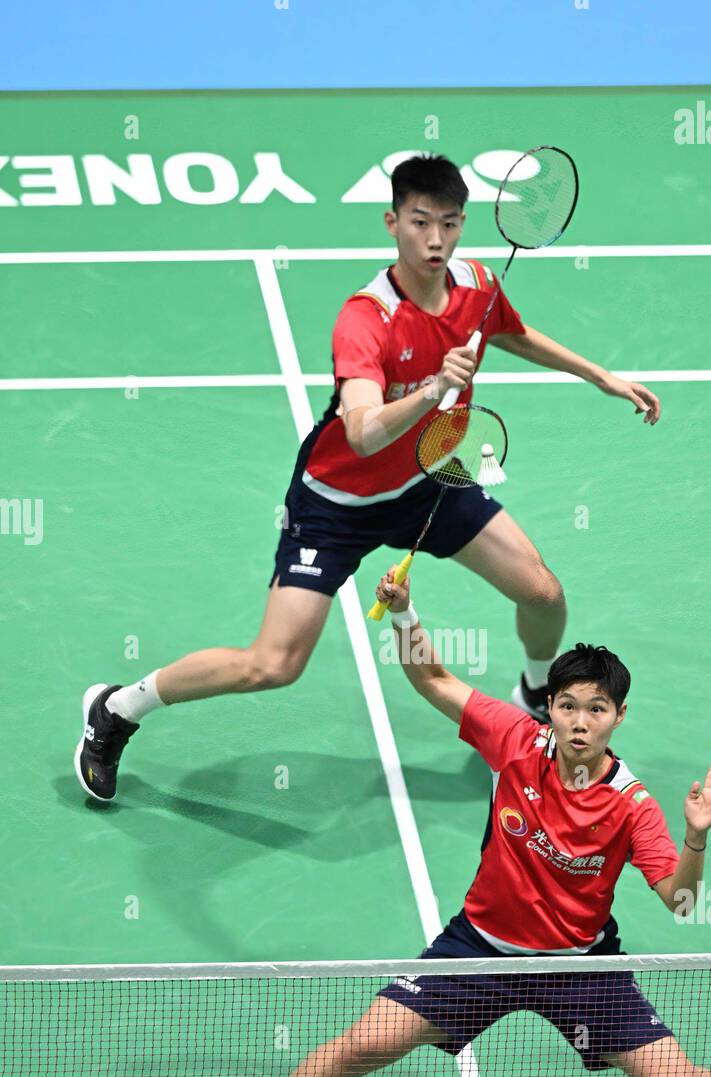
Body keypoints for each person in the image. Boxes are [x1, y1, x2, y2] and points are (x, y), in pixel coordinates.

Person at [74, 152, 661, 803]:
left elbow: (512, 331)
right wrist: (436, 385)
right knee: (273, 665)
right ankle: (118, 708)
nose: (435, 240)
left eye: (448, 223)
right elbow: (361, 429)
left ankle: (531, 699)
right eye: (419, 223)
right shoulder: (366, 318)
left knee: (544, 594)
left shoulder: (476, 283)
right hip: (337, 502)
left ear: (464, 222)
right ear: (392, 222)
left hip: (427, 477)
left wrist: (599, 375)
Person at [215, 567, 711, 1077]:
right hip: (480, 952)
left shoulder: (633, 806)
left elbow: (681, 903)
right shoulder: (515, 741)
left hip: (578, 966)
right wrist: (404, 616)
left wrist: (696, 837)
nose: (580, 722)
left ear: (618, 717)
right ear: (550, 706)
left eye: (596, 710)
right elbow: (433, 679)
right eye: (568, 705)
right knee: (365, 1044)